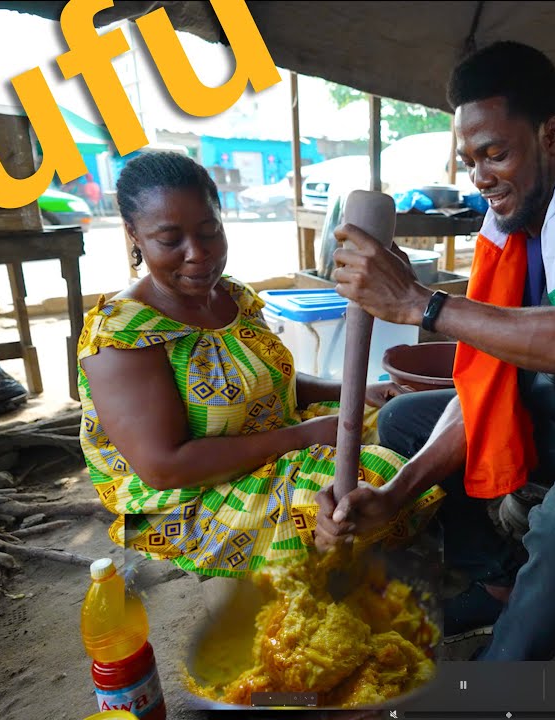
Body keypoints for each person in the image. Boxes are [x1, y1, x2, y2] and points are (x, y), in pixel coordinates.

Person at [319, 40, 555, 661]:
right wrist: (397, 493)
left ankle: (502, 679)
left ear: (553, 134)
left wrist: (423, 304)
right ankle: (498, 580)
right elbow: (483, 382)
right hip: (551, 421)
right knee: (402, 420)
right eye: (471, 160)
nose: (480, 178)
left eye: (495, 153)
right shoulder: (503, 238)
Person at [76, 151, 440, 577]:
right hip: (196, 499)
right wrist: (302, 436)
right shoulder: (123, 335)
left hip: (277, 440)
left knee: (407, 422)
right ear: (134, 234)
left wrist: (354, 393)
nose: (198, 254)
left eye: (210, 232)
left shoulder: (232, 296)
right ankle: (380, 576)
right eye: (171, 240)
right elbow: (164, 467)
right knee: (377, 478)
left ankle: (419, 556)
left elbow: (271, 381)